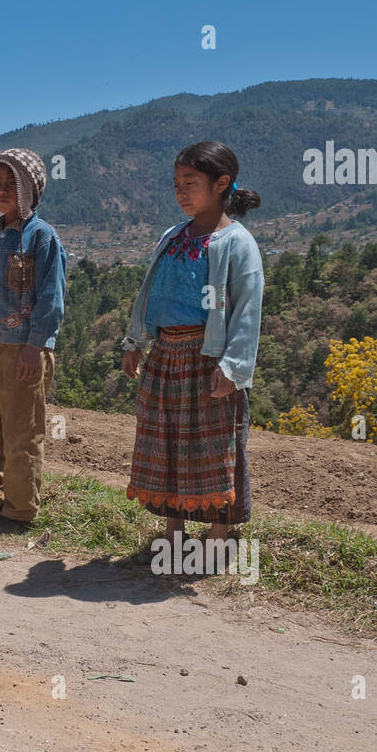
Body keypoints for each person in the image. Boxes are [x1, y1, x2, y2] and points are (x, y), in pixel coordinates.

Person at [120, 140, 263, 562]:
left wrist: (233, 367)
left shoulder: (237, 243)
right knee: (165, 442)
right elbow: (151, 294)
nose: (180, 192)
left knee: (213, 445)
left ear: (221, 184)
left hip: (208, 359)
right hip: (166, 354)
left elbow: (247, 311)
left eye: (191, 183)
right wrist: (135, 341)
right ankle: (174, 533)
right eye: (177, 184)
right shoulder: (173, 236)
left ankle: (218, 538)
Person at [0, 149, 66, 535]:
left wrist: (35, 347)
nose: (2, 191)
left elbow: (51, 299)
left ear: (31, 191)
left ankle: (19, 510)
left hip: (24, 351)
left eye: (11, 184)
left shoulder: (43, 237)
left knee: (22, 431)